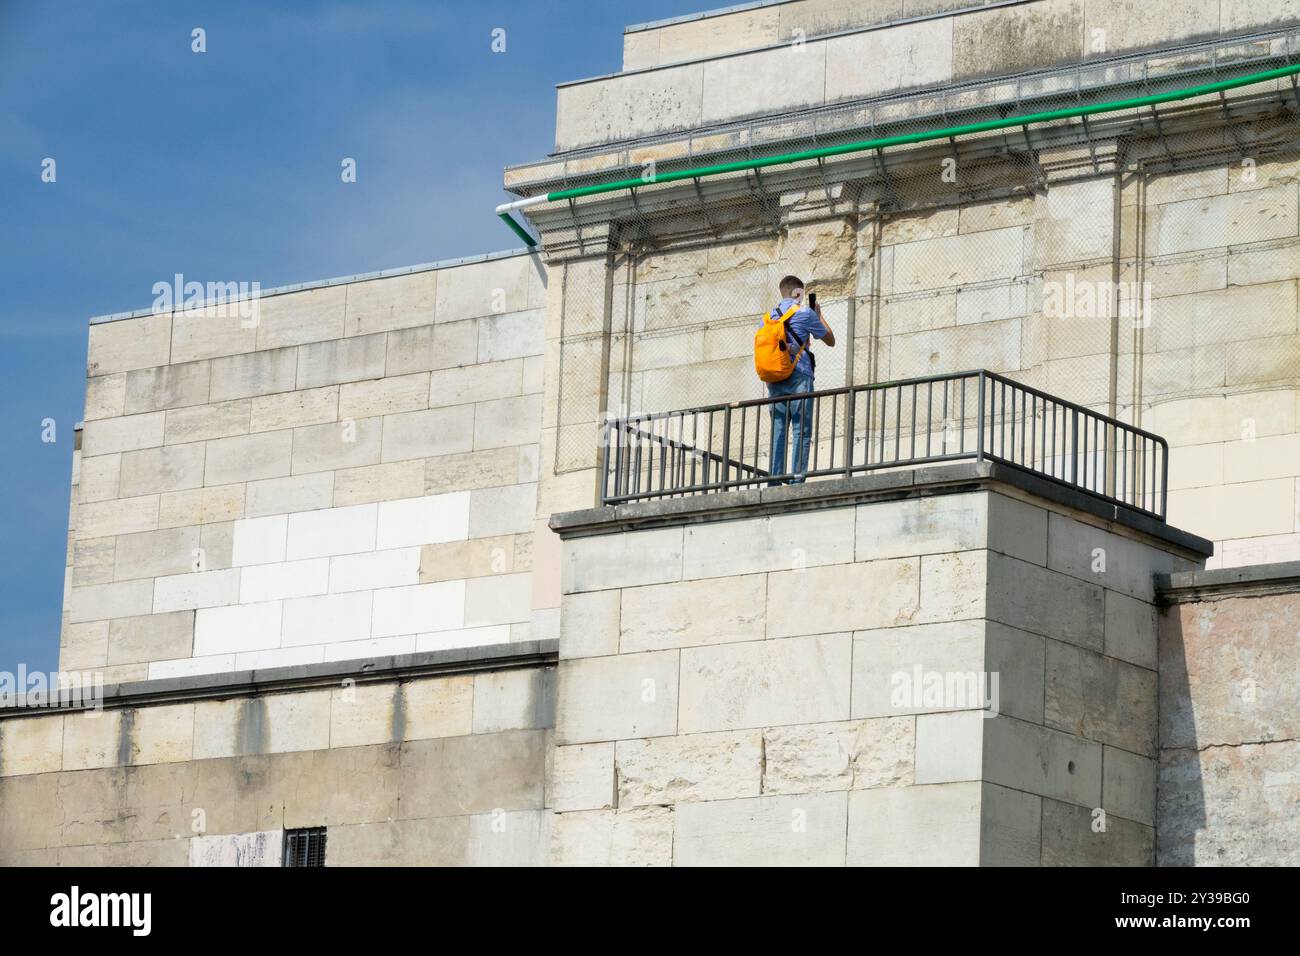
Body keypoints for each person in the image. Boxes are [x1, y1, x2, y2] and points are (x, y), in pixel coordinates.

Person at [764, 275, 835, 484]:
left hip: (774, 378)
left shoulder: (768, 317)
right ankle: (797, 479)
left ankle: (774, 480)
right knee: (801, 430)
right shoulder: (805, 313)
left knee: (778, 430)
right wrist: (818, 315)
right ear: (798, 293)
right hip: (799, 376)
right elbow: (830, 340)